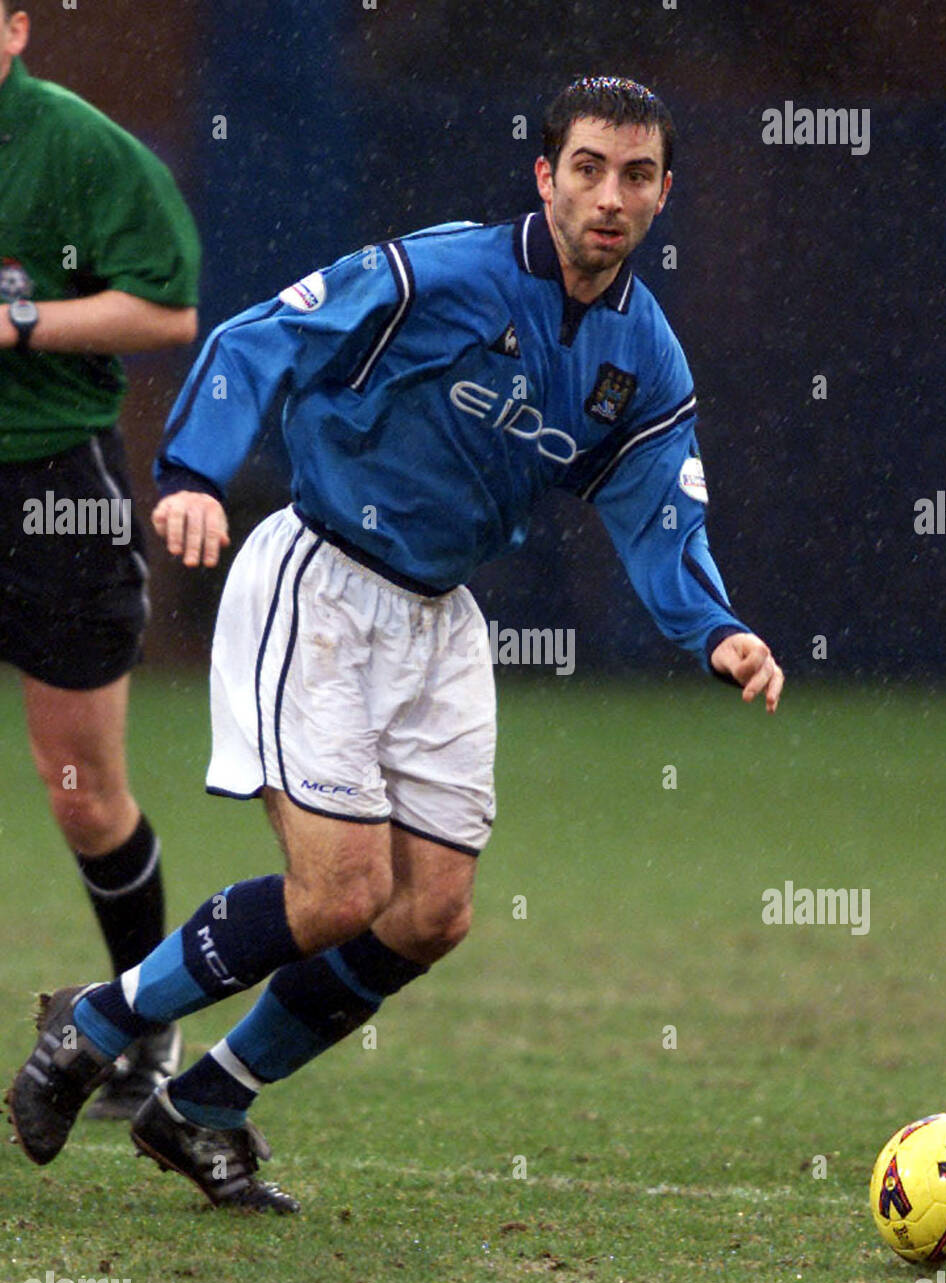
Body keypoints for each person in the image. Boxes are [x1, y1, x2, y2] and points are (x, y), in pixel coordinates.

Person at [7, 76, 783, 1213]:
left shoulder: (644, 356)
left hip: (440, 622)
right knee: (338, 894)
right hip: (319, 582)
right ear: (545, 176)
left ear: (664, 192)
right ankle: (96, 1024)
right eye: (586, 168)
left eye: (634, 175)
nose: (608, 195)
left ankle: (206, 1104)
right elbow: (258, 334)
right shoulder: (445, 271)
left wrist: (714, 626)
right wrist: (192, 474)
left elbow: (659, 498)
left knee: (430, 913)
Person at [0, 4, 200, 1115]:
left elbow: (167, 310)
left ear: (17, 29)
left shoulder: (75, 145)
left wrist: (18, 326)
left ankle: (143, 1016)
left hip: (48, 490)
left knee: (82, 792)